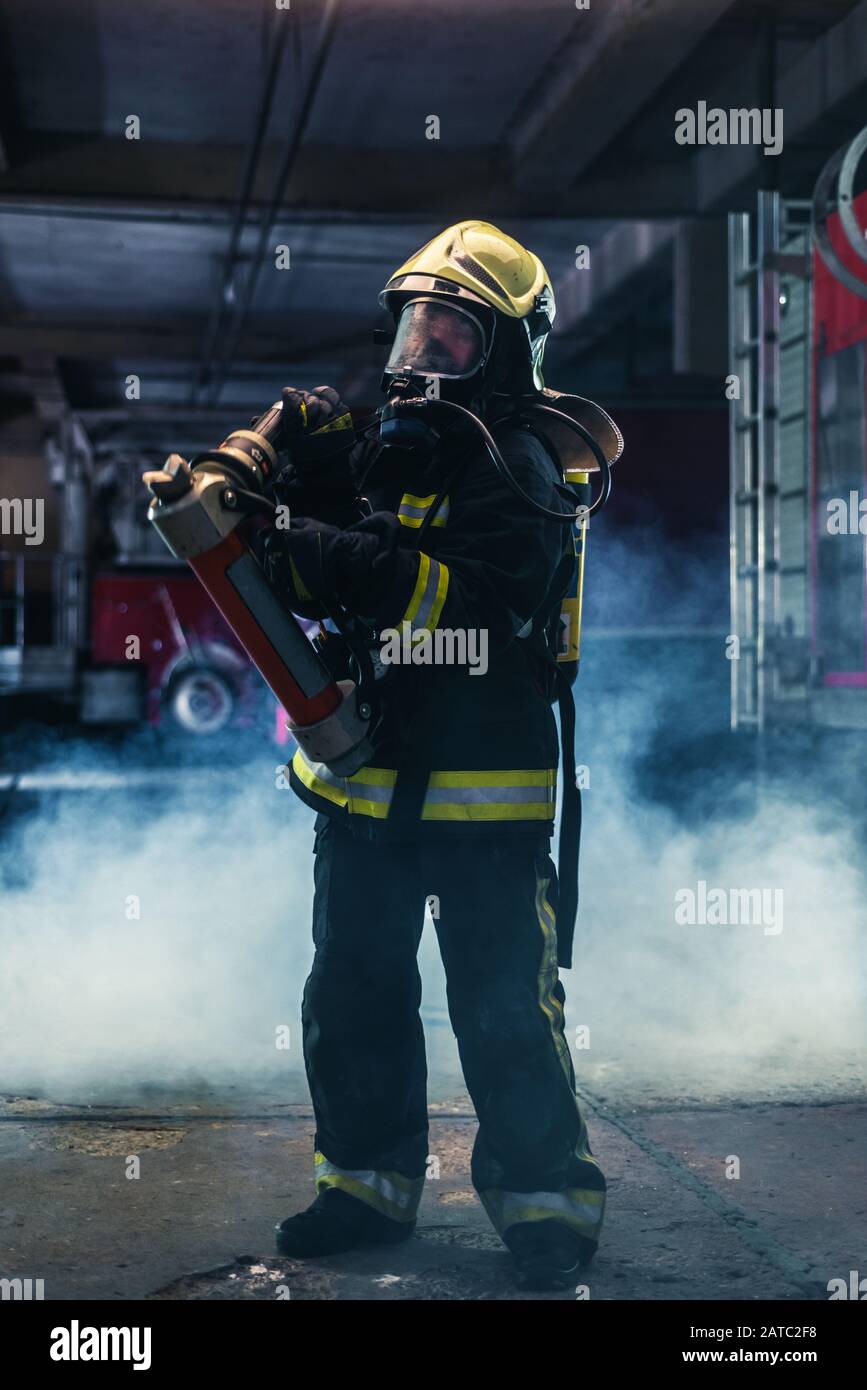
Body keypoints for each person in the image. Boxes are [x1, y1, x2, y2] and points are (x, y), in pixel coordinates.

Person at [263, 221, 606, 1290]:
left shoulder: (530, 467)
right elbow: (316, 576)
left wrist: (322, 551)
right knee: (353, 993)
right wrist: (285, 493)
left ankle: (547, 1206)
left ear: (505, 352)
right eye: (416, 329)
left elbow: (463, 606)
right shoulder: (382, 445)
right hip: (362, 789)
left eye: (453, 337)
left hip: (482, 803)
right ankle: (363, 1185)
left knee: (505, 1004)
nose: (423, 357)